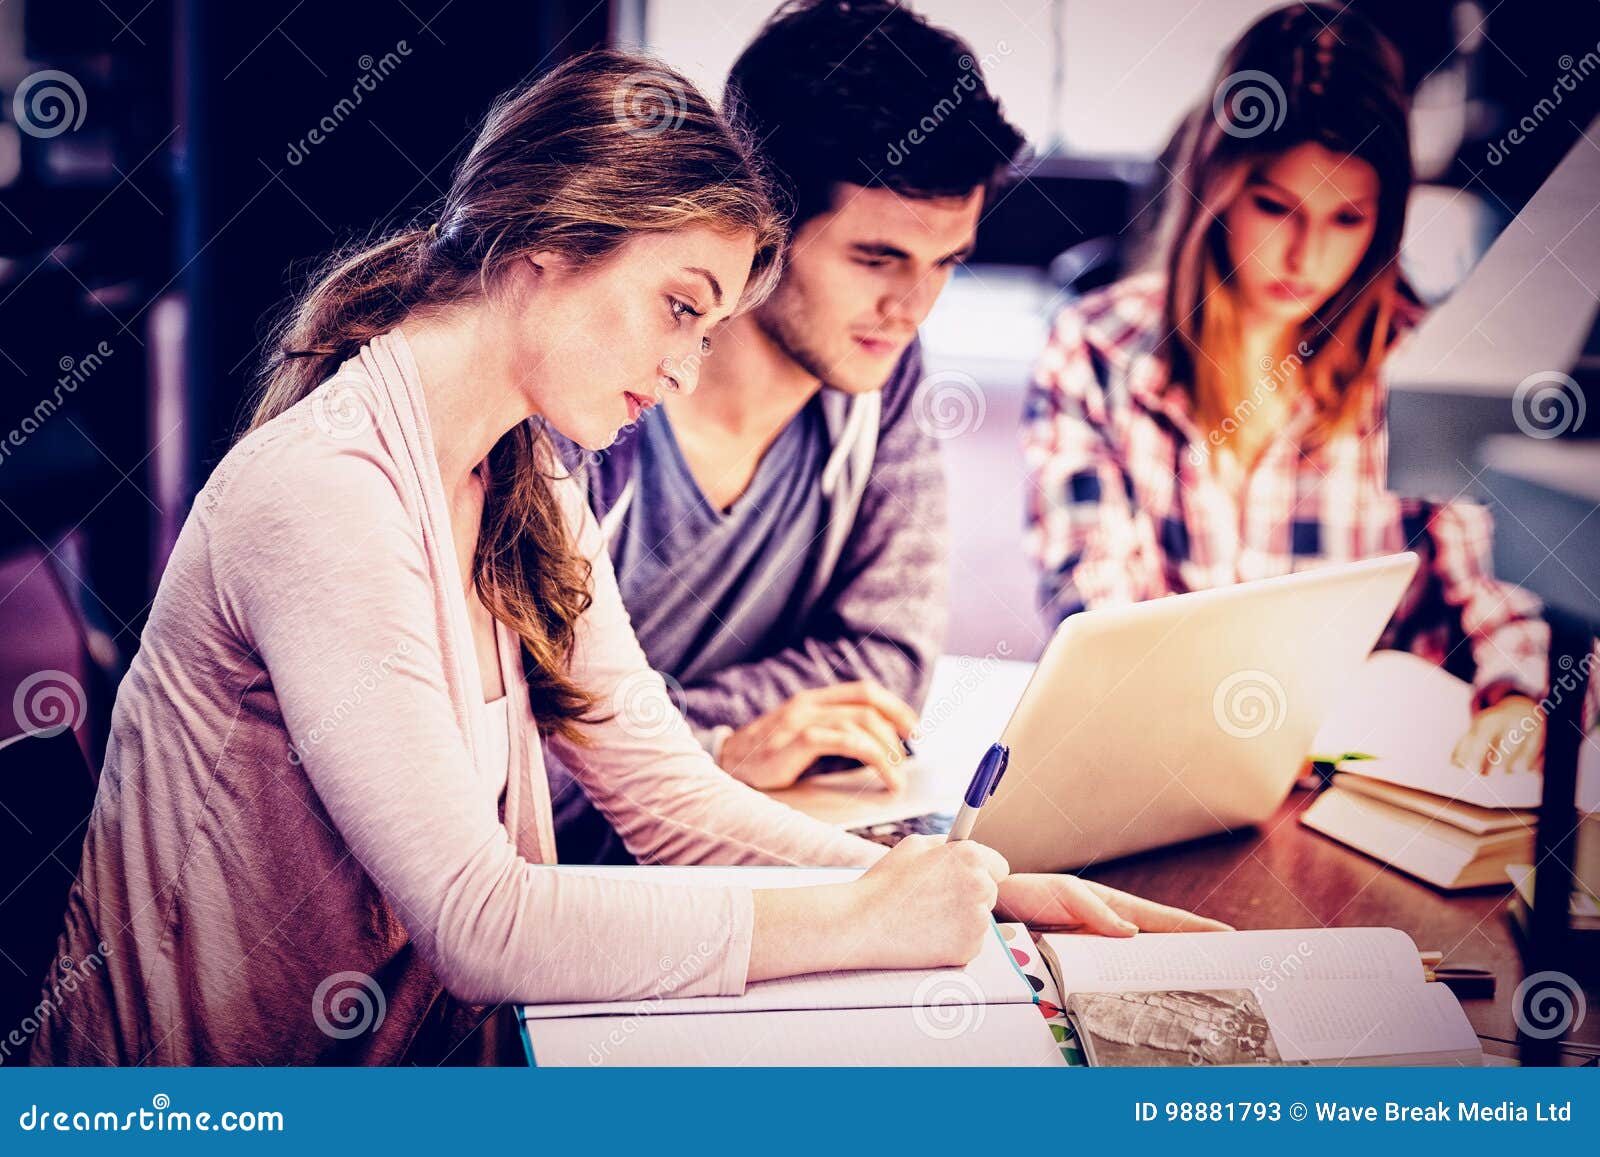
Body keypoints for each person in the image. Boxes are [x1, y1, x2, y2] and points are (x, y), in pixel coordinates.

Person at [30, 50, 1223, 1067]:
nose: (688, 369)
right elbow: (479, 922)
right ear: (545, 250)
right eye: (678, 307)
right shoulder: (326, 494)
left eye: (711, 326)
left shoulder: (525, 471)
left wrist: (980, 882)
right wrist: (864, 919)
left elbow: (665, 796)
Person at [1023, 3, 1570, 776]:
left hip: (1374, 790)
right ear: (1219, 183)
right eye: (1275, 207)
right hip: (1177, 772)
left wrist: (1516, 701)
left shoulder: (1415, 360)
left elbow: (1500, 592)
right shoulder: (1094, 349)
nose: (1306, 256)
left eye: (1348, 219)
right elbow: (1095, 617)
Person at [550, 0, 1027, 860]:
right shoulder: (586, 402)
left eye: (944, 264)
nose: (912, 308)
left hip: (734, 855)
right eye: (876, 259)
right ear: (762, 220)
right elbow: (516, 742)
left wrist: (660, 728)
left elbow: (886, 670)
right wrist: (723, 750)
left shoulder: (880, 374)